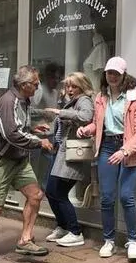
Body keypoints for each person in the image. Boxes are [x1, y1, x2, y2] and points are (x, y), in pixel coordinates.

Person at [0, 66, 55, 262]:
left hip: (18, 158)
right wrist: (38, 142)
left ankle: (25, 240)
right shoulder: (9, 101)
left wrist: (34, 129)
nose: (37, 87)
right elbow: (11, 133)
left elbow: (18, 126)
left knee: (35, 195)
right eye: (35, 84)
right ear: (24, 85)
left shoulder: (23, 100)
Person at [77, 56, 136, 261]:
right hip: (107, 147)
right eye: (109, 73)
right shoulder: (101, 97)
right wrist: (87, 130)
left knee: (126, 196)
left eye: (116, 73)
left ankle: (133, 241)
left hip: (129, 151)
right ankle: (108, 240)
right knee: (107, 198)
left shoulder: (134, 98)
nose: (113, 77)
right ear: (105, 74)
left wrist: (125, 150)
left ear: (124, 75)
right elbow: (99, 124)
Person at [41, 72, 96, 247]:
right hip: (62, 153)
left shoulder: (84, 100)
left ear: (82, 87)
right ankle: (63, 226)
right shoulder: (71, 101)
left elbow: (86, 117)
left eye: (74, 86)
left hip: (72, 155)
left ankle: (75, 231)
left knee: (57, 192)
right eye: (68, 86)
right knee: (51, 191)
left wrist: (61, 112)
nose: (70, 90)